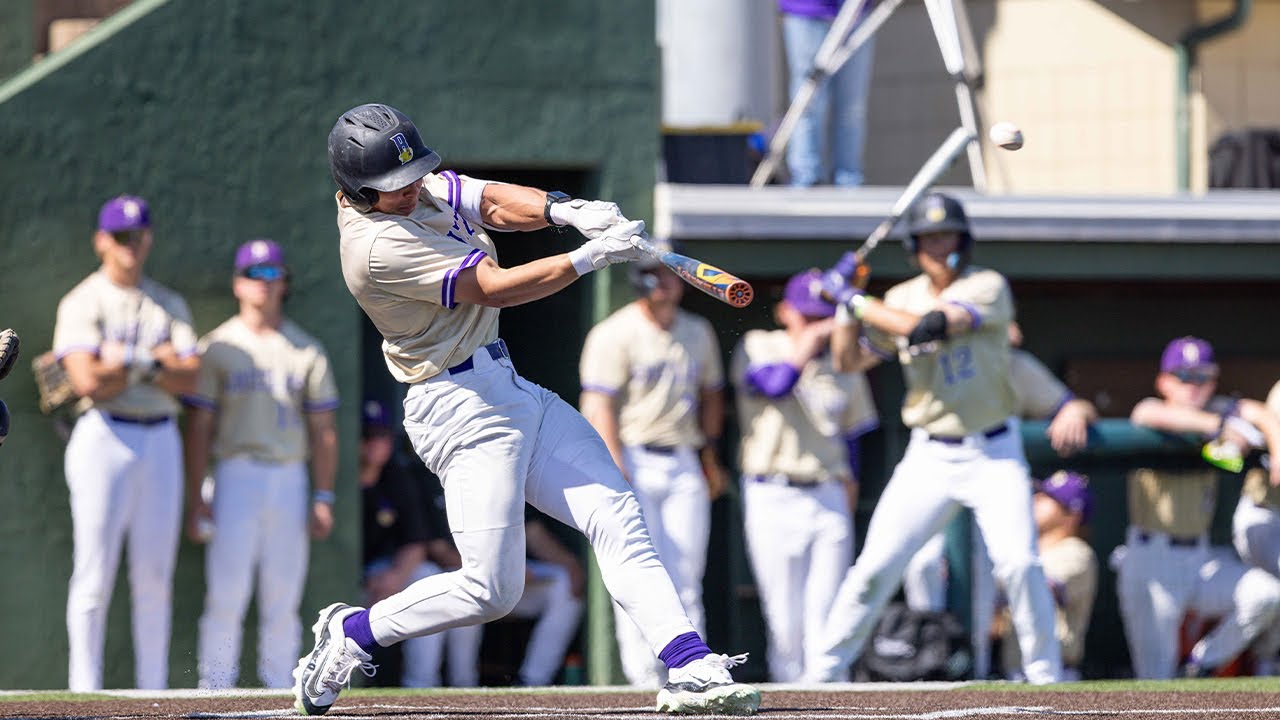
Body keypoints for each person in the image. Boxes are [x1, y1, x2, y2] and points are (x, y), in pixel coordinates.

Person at [293, 103, 758, 717]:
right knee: (491, 590)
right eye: (392, 187)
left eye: (412, 178)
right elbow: (495, 287)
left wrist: (564, 210)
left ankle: (687, 663)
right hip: (457, 409)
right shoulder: (375, 247)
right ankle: (352, 635)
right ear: (357, 190)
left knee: (615, 508)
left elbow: (489, 204)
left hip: (507, 386)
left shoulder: (408, 185)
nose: (409, 191)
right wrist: (590, 257)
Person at [805, 191, 1063, 684]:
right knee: (876, 568)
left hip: (993, 451)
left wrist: (855, 299)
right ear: (915, 246)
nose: (939, 245)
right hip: (930, 454)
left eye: (947, 235)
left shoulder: (988, 286)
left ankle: (1044, 673)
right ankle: (824, 670)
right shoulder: (899, 296)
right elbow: (846, 361)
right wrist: (842, 309)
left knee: (1019, 563)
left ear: (963, 241)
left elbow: (933, 326)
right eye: (928, 237)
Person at [54, 195, 200, 691]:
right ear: (102, 241)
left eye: (138, 237)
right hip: (103, 433)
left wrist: (126, 360)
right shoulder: (82, 300)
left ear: (149, 239)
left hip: (161, 437)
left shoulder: (168, 302)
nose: (131, 247)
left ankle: (153, 693)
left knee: (154, 578)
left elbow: (190, 377)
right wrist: (155, 361)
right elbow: (86, 381)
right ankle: (83, 692)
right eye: (121, 238)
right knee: (93, 573)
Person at [182, 239, 340, 689]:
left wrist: (323, 494)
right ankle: (214, 693)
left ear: (284, 283)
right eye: (254, 274)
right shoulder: (217, 346)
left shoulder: (306, 348)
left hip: (290, 477)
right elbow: (198, 429)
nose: (263, 284)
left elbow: (324, 431)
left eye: (272, 274)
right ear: (237, 283)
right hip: (234, 474)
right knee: (226, 595)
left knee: (283, 599)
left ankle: (281, 692)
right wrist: (197, 497)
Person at [901, 321, 1099, 676]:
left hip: (988, 481)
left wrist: (1074, 410)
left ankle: (989, 672)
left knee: (1001, 576)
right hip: (933, 473)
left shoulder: (1015, 365)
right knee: (920, 563)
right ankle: (924, 658)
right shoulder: (936, 356)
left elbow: (1072, 403)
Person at [578, 252, 727, 687]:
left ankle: (691, 669)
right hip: (634, 457)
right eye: (653, 275)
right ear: (638, 281)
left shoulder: (697, 330)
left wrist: (709, 454)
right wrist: (615, 466)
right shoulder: (615, 332)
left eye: (669, 274)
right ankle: (643, 676)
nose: (663, 283)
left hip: (683, 457)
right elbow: (599, 403)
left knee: (686, 572)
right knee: (639, 567)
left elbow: (712, 393)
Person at [729, 269, 878, 682]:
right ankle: (793, 701)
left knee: (829, 611)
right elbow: (773, 385)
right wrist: (805, 347)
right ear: (784, 311)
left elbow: (853, 438)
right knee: (784, 619)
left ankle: (832, 697)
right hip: (772, 490)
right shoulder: (761, 344)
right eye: (806, 315)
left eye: (821, 316)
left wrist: (849, 488)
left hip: (827, 491)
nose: (814, 324)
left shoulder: (843, 363)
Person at [1123, 336, 1280, 678]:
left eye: (1202, 377)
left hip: (1200, 557)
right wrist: (1221, 428)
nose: (1193, 386)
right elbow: (1144, 413)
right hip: (1151, 557)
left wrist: (1274, 439)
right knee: (1155, 680)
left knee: (1267, 595)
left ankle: (1202, 663)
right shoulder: (1157, 410)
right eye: (1183, 376)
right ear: (1164, 380)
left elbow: (1257, 412)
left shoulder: (1220, 408)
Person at [358, 399, 476, 688]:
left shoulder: (396, 475)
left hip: (384, 570)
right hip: (353, 577)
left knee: (428, 579)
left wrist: (396, 575)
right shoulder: (340, 475)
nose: (376, 444)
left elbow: (415, 542)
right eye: (368, 436)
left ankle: (421, 686)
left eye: (382, 436)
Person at [995, 471, 1098, 682]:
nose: (1036, 500)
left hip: (1057, 671)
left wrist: (993, 590)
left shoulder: (1077, 552)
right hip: (1014, 671)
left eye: (1048, 499)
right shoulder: (1024, 551)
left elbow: (1041, 590)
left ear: (1072, 514)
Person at [778, 0, 876, 187]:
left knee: (852, 107)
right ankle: (806, 175)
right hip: (806, 11)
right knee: (808, 103)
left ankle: (848, 177)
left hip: (856, 12)